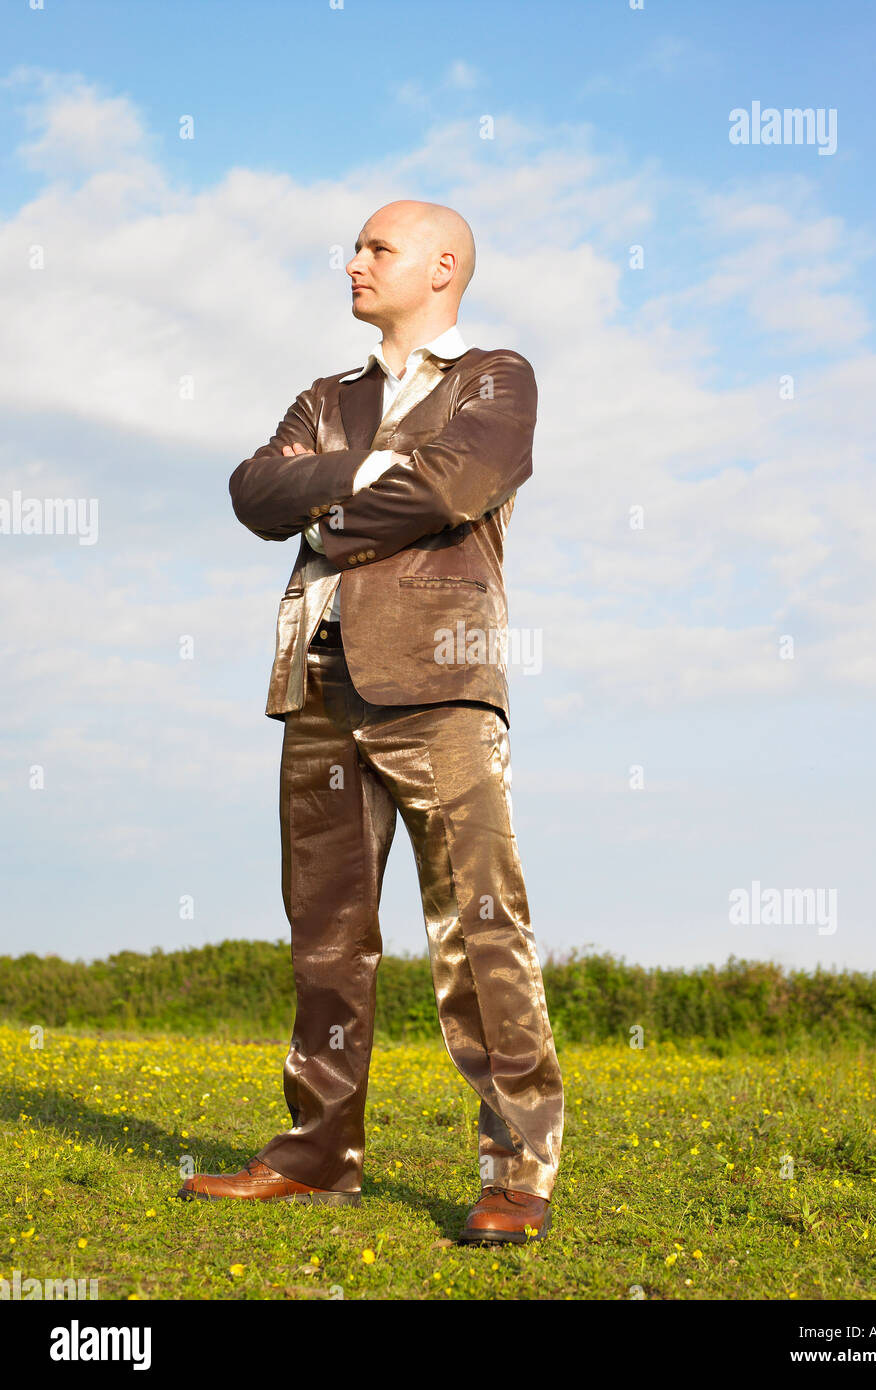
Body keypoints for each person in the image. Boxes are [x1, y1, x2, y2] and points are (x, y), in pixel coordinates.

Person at [177, 200, 563, 1244]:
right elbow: (255, 489)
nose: (352, 262)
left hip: (441, 686)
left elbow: (458, 482)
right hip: (317, 683)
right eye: (356, 246)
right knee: (327, 938)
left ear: (441, 267)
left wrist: (330, 511)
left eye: (376, 248)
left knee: (479, 931)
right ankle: (317, 1155)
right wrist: (364, 473)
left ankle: (515, 1169)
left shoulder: (496, 377)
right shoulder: (327, 395)